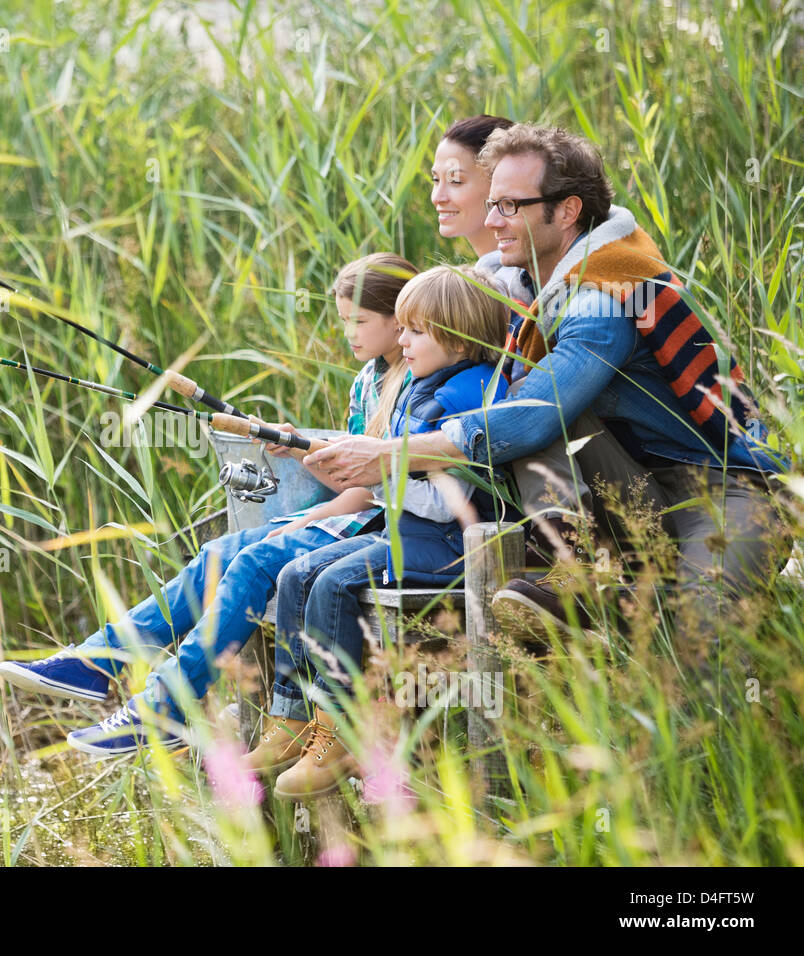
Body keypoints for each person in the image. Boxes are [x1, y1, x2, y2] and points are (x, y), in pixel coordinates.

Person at [303, 123, 787, 644]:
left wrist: (395, 453)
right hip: (633, 499)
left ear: (568, 210)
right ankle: (578, 564)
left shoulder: (606, 297)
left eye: (509, 206)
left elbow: (535, 414)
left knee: (699, 639)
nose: (491, 221)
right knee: (523, 412)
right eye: (491, 204)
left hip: (718, 493)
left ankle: (597, 585)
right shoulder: (526, 293)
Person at [0, 253, 420, 755]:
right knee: (219, 553)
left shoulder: (419, 378)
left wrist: (308, 515)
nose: (347, 332)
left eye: (360, 321)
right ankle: (99, 659)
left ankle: (162, 706)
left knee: (256, 560)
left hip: (387, 532)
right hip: (352, 517)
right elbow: (359, 486)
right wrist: (306, 462)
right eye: (342, 320)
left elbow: (388, 490)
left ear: (400, 319)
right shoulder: (367, 380)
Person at [243, 115, 519, 782]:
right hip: (407, 529)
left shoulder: (466, 393)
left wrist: (378, 471)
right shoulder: (428, 383)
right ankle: (289, 718)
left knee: (335, 579)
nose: (402, 344)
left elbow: (443, 492)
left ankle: (339, 732)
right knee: (293, 574)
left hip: (449, 543)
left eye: (414, 333)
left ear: (456, 337)